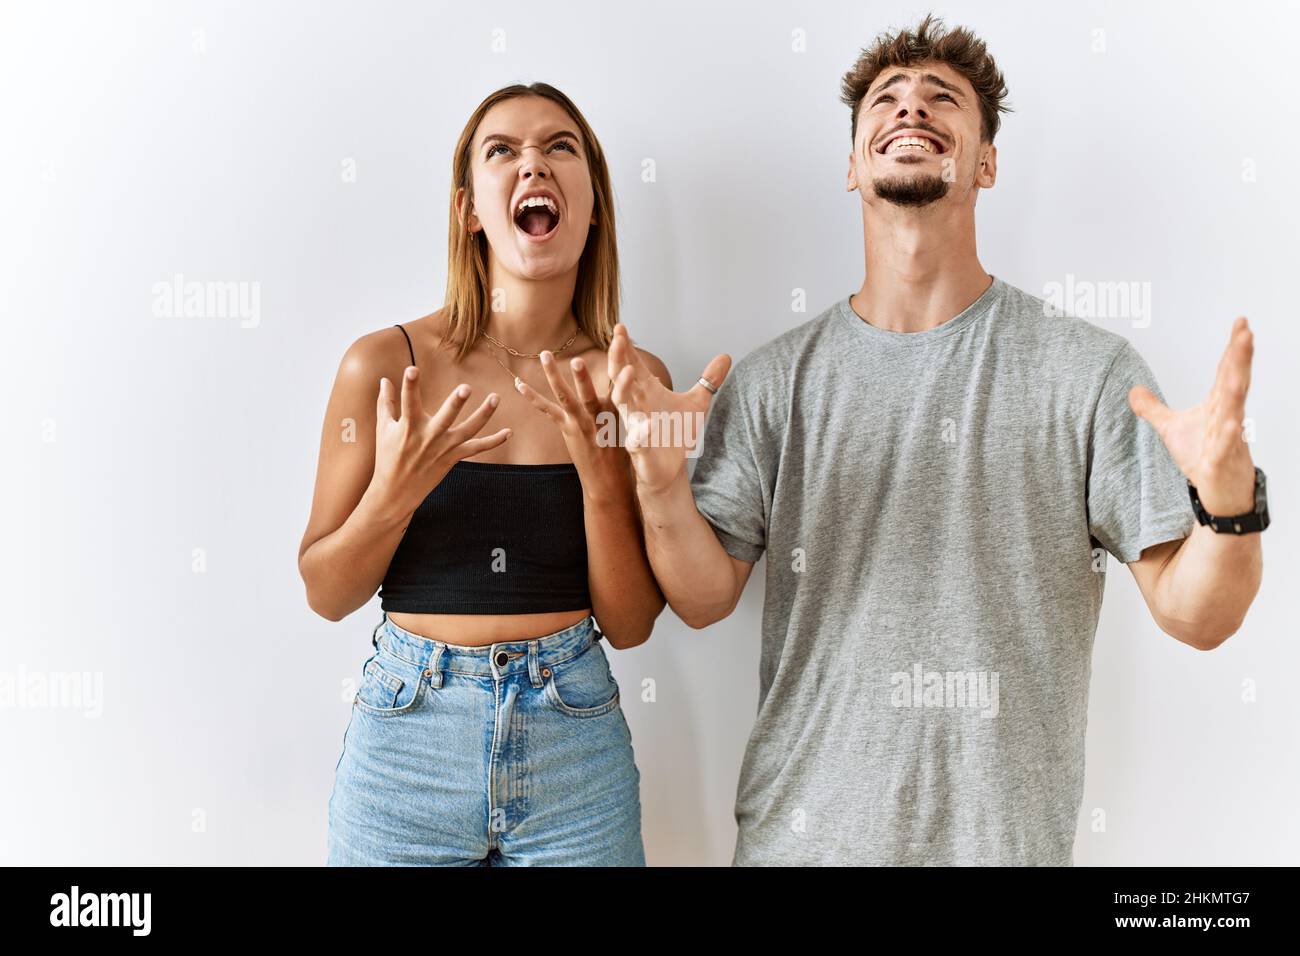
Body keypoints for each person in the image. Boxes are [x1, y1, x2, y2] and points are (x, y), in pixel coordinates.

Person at [607, 14, 1268, 865]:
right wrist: (659, 482)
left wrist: (1229, 505)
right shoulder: (773, 381)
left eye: (942, 98)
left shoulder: (1090, 372)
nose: (911, 109)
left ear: (986, 162)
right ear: (852, 165)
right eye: (886, 99)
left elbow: (1196, 615)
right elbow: (702, 600)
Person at [298, 82, 672, 866]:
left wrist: (602, 481)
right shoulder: (383, 364)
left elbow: (632, 625)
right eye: (503, 150)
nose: (533, 163)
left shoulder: (629, 379)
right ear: (469, 209)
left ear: (593, 205)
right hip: (408, 749)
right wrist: (394, 496)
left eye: (560, 147)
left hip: (575, 748)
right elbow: (326, 593)